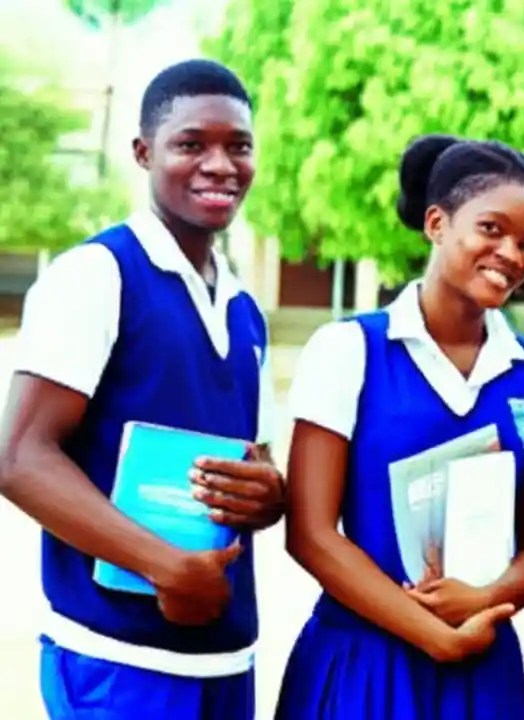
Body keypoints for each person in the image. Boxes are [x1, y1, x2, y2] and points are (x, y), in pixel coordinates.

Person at [0, 59, 284, 719]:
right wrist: (163, 564)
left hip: (226, 657)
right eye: (192, 144)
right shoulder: (98, 275)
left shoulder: (243, 307)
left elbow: (257, 464)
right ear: (144, 151)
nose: (220, 164)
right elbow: (20, 458)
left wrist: (270, 496)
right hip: (119, 662)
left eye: (238, 146)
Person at [274, 134, 524, 719]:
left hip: (480, 666)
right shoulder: (350, 350)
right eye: (492, 229)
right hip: (363, 662)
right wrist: (431, 634)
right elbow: (310, 532)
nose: (512, 253)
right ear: (436, 222)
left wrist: (484, 600)